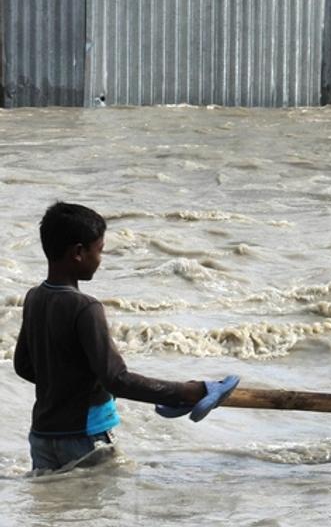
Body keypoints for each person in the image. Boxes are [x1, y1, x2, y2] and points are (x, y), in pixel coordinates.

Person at [14, 202, 235, 475]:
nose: (101, 258)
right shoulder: (85, 307)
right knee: (97, 514)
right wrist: (185, 392)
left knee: (60, 510)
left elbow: (23, 366)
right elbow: (116, 379)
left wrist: (66, 384)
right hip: (85, 437)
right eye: (100, 250)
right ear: (79, 253)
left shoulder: (34, 297)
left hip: (42, 437)